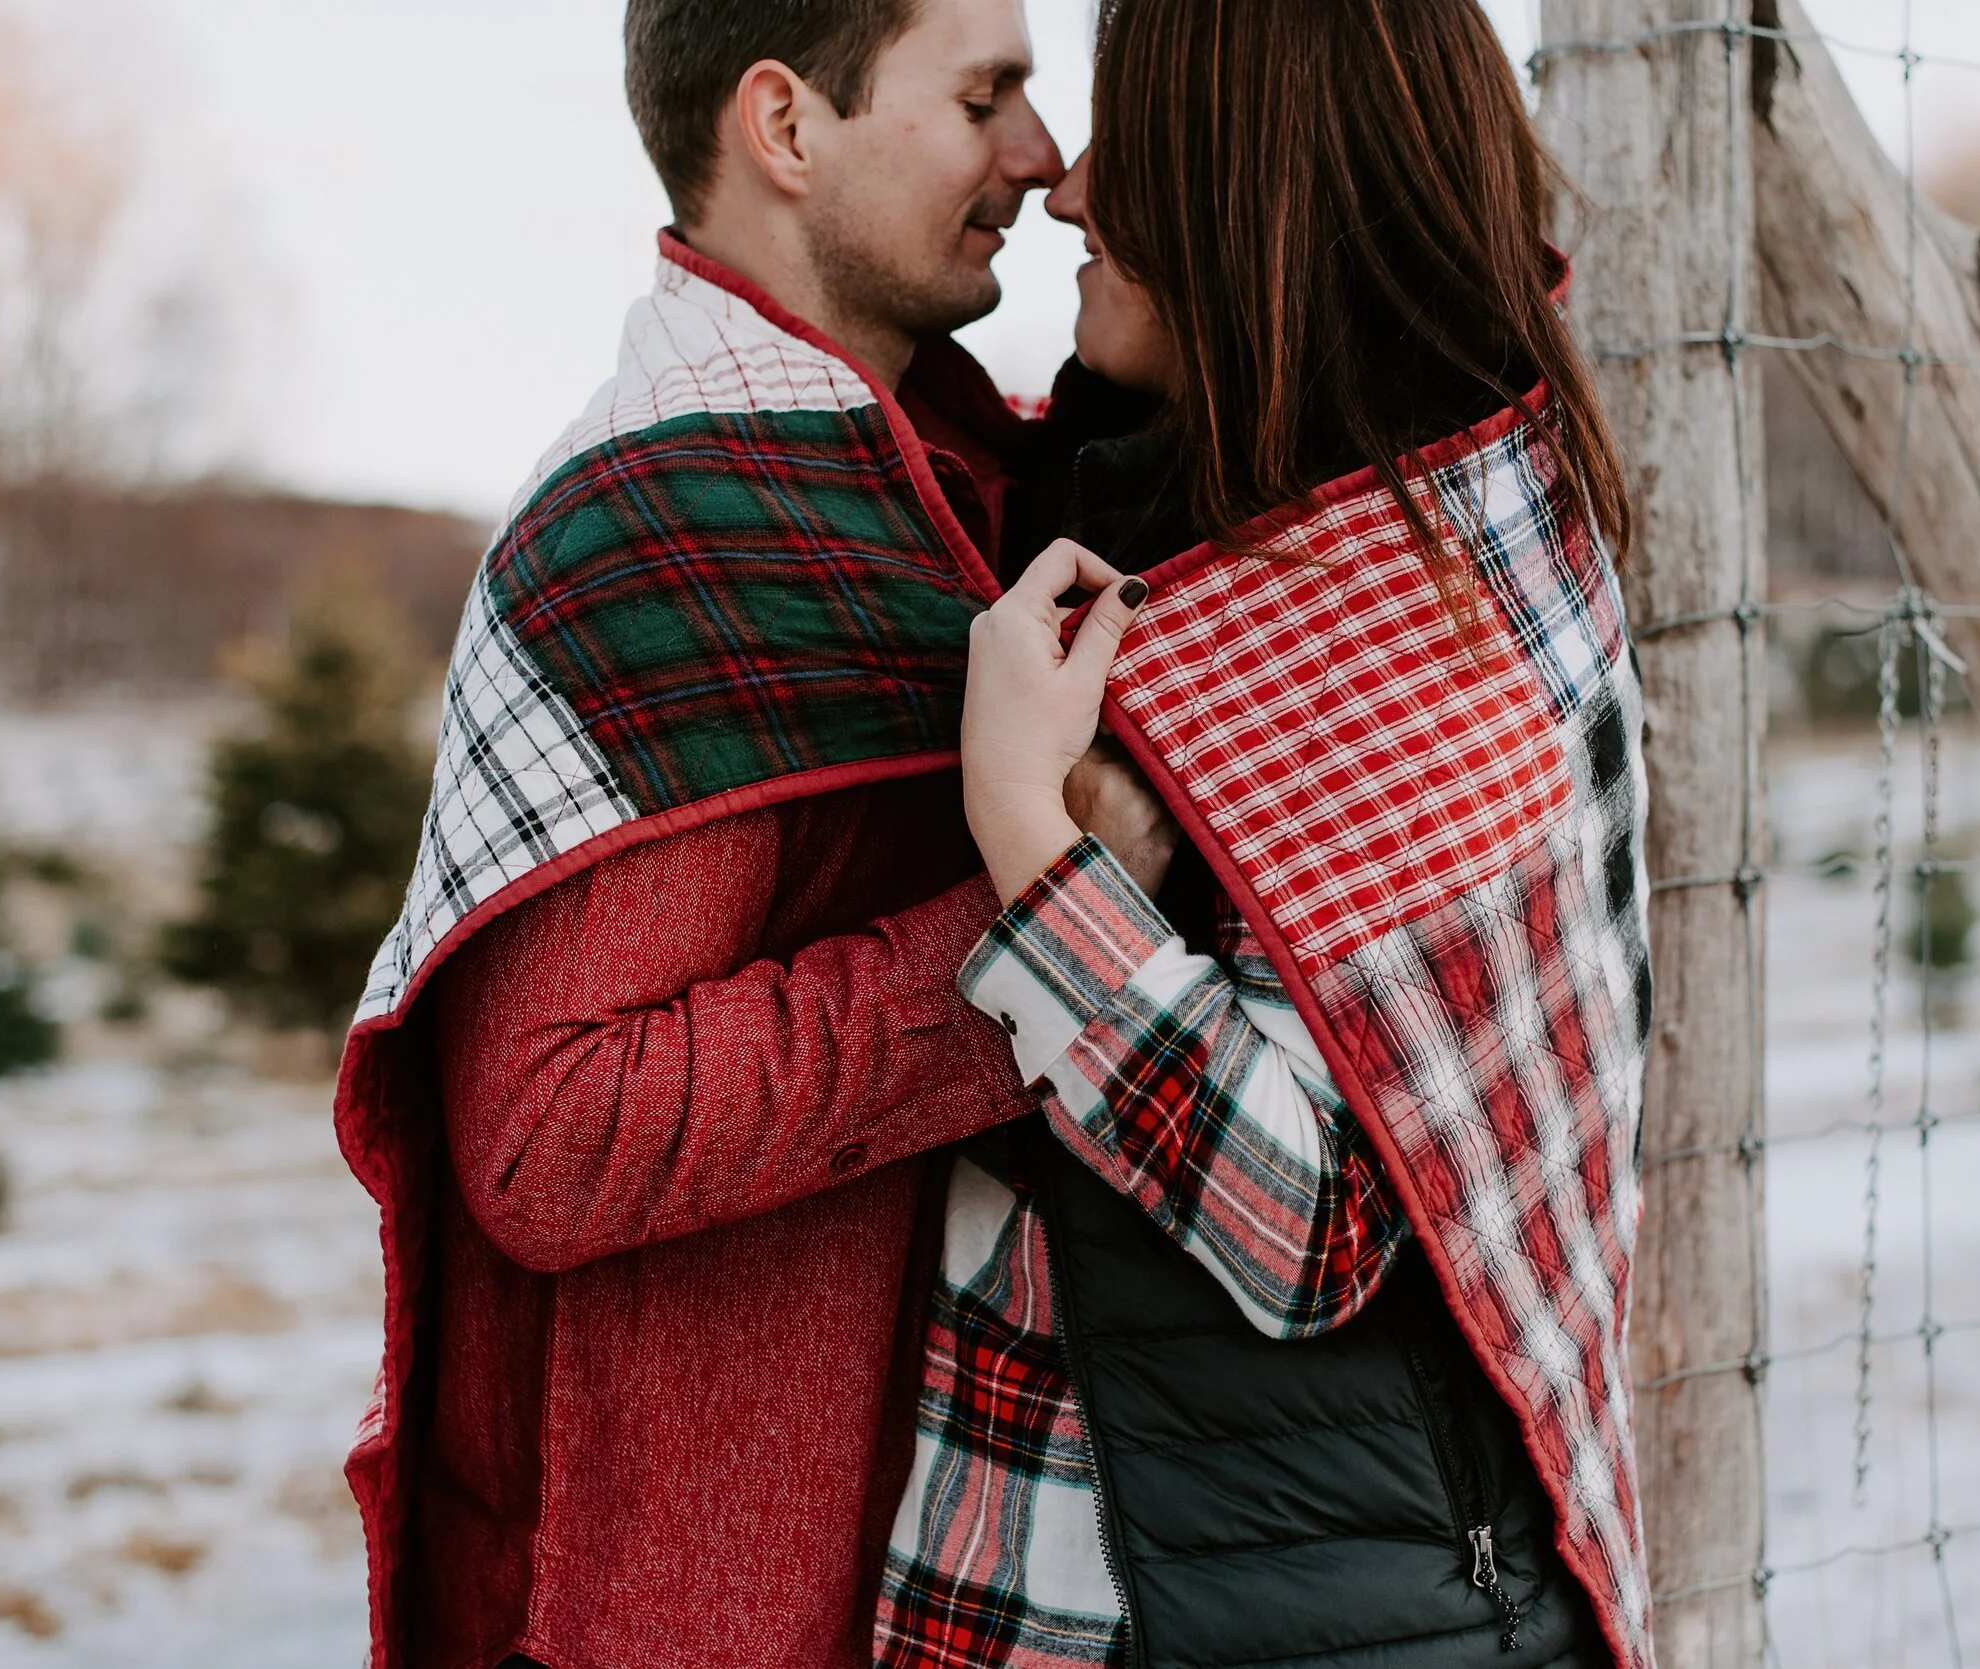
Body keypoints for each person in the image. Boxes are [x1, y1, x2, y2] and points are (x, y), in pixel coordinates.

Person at [327, 3, 1168, 1665]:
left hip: (946, 1560)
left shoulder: (946, 478)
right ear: (785, 128)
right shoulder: (656, 527)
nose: (1041, 158)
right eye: (984, 98)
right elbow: (551, 1136)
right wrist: (1045, 937)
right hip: (707, 1589)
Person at [872, 1, 1655, 1667]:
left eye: (1133, 143)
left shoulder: (1423, 618)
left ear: (1257, 197)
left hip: (1336, 1615)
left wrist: (1032, 838)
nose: (1069, 190)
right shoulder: (1179, 517)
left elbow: (1312, 1231)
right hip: (1138, 1564)